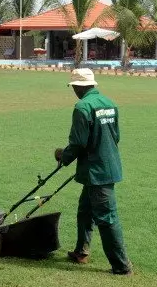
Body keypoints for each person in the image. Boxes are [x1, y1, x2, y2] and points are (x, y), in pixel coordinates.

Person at [54, 68, 132, 275]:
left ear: (78, 87)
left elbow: (78, 142)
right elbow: (116, 136)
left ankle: (122, 266)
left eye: (74, 88)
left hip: (97, 172)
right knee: (85, 211)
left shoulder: (82, 107)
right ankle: (82, 251)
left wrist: (64, 156)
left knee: (107, 217)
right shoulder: (110, 103)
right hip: (106, 165)